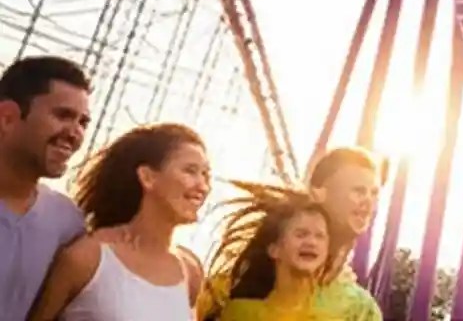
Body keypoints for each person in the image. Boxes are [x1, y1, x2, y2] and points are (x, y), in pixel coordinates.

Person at [26, 123, 210, 320]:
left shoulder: (190, 271)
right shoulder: (87, 259)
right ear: (147, 177)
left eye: (206, 175)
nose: (203, 186)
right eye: (190, 171)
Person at [198, 146, 385, 320]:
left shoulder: (360, 308)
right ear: (318, 193)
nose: (368, 201)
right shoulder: (233, 287)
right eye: (358, 191)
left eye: (374, 193)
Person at [0, 55, 92, 320]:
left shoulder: (68, 223)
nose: (75, 133)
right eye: (63, 115)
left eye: (83, 122)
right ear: (7, 117)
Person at [211, 185, 377, 320]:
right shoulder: (241, 313)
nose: (311, 242)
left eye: (320, 236)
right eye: (301, 234)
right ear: (274, 249)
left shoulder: (356, 308)